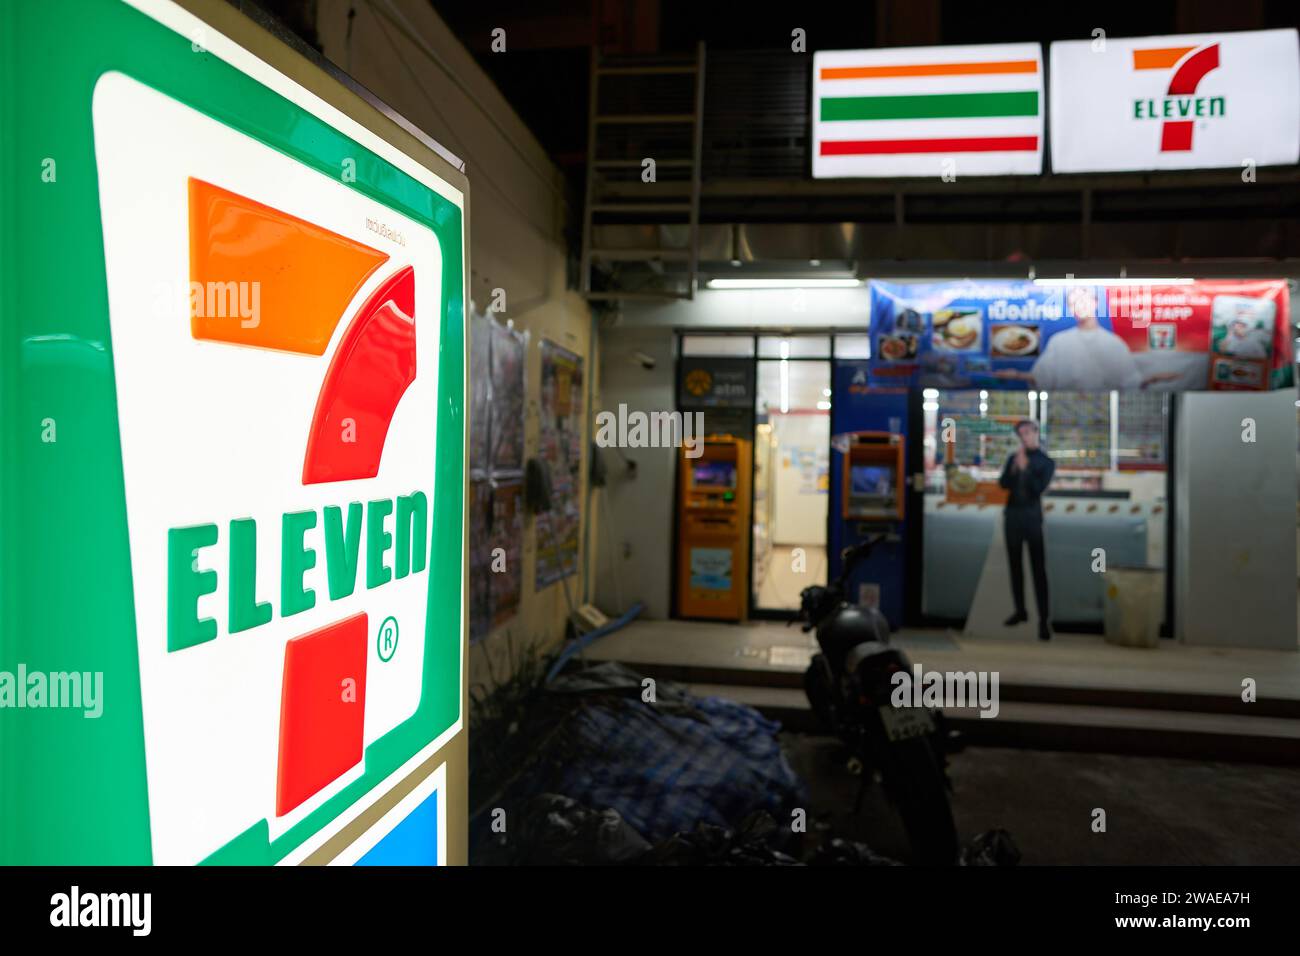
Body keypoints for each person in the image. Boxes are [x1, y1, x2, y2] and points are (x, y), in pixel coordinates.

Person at [998, 420, 1055, 641]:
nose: (1024, 437)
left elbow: (1037, 490)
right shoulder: (1013, 458)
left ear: (1035, 433)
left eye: (1028, 433)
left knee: (1038, 570)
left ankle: (1043, 620)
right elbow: (1003, 484)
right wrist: (1014, 469)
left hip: (1032, 519)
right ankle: (1020, 610)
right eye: (1021, 434)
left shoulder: (1046, 462)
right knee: (1015, 567)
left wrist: (1026, 469)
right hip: (1012, 517)